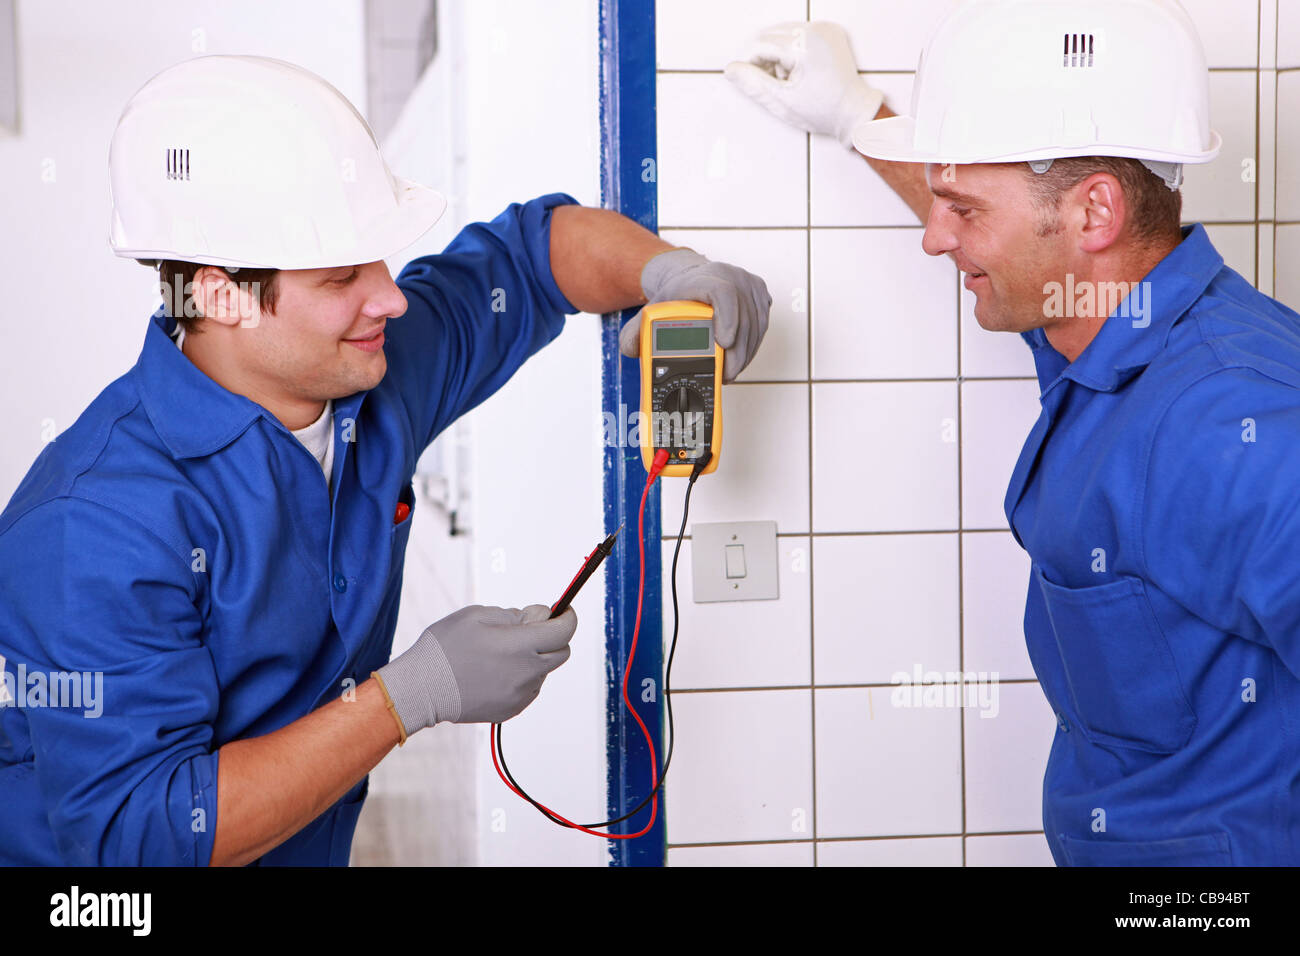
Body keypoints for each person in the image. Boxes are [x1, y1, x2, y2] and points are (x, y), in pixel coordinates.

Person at [0, 54, 770, 866]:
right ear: (219, 294)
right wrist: (407, 700)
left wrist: (670, 272)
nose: (391, 296)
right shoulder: (88, 527)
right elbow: (143, 836)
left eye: (379, 257)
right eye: (342, 277)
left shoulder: (370, 371)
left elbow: (534, 257)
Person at [727, 3, 1300, 865]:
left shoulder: (1234, 426)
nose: (934, 238)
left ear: (1094, 215)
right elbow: (1017, 223)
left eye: (959, 207)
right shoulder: (1100, 323)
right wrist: (856, 117)